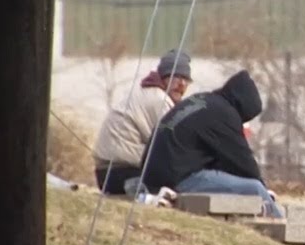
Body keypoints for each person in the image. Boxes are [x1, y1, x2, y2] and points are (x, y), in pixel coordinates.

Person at [140, 69, 283, 218]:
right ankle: (278, 223)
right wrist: (264, 189)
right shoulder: (225, 114)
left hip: (152, 174)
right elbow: (243, 162)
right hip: (177, 179)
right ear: (242, 108)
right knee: (255, 189)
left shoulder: (202, 101)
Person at [92, 49, 192, 195]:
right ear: (164, 77)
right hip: (122, 173)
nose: (182, 84)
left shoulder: (146, 92)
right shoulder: (159, 100)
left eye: (186, 79)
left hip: (107, 173)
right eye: (176, 77)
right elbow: (174, 147)